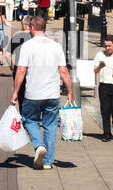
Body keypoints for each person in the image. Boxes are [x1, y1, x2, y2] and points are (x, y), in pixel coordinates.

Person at [12, 16, 73, 170]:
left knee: (29, 120)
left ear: (32, 27)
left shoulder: (27, 46)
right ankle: (48, 162)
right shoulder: (56, 46)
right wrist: (70, 91)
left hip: (33, 93)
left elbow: (21, 70)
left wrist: (15, 92)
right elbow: (64, 71)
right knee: (50, 126)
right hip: (52, 94)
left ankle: (39, 145)